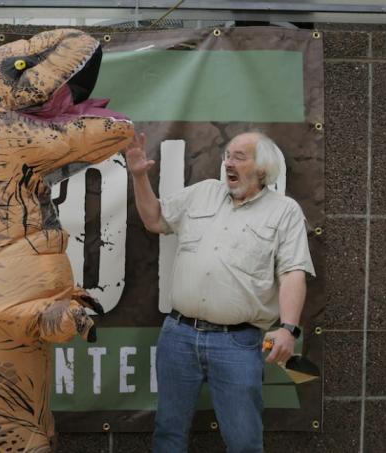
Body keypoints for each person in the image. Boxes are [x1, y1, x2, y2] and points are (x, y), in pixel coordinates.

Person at [124, 131, 315, 453]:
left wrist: (288, 327)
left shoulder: (284, 211)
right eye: (227, 154)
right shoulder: (202, 194)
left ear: (263, 169)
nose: (228, 161)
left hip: (238, 343)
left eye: (240, 156)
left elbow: (293, 271)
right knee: (168, 432)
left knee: (243, 440)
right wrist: (139, 175)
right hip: (178, 336)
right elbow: (154, 219)